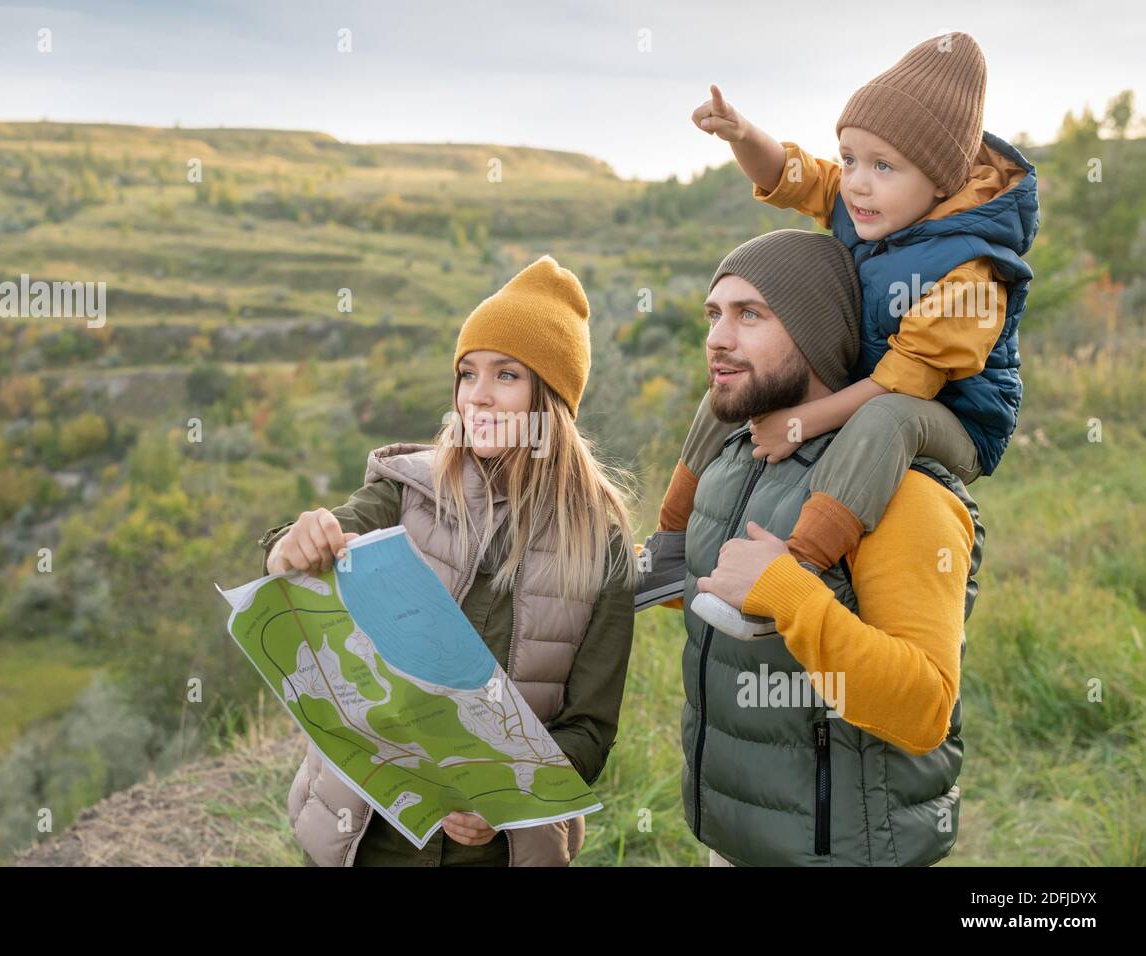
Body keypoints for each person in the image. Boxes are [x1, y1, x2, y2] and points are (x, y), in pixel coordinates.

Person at [637, 32, 1035, 628]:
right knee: (735, 377)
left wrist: (802, 421)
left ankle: (794, 569)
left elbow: (907, 383)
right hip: (875, 381)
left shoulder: (973, 272)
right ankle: (670, 545)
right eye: (850, 158)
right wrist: (744, 136)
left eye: (882, 166)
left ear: (940, 181)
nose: (857, 182)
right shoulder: (873, 204)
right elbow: (797, 179)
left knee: (888, 418)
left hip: (953, 414)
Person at [258, 255, 638, 866]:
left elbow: (589, 731)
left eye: (506, 375)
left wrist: (505, 799)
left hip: (497, 857)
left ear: (551, 398)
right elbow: (310, 546)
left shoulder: (602, 548)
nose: (478, 396)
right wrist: (290, 544)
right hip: (361, 842)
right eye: (467, 374)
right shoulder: (405, 490)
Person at [678, 229, 984, 866]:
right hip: (731, 841)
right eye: (714, 314)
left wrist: (788, 595)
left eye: (750, 314)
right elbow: (708, 608)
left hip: (843, 851)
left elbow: (924, 709)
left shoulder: (902, 491)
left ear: (817, 333)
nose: (717, 338)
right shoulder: (734, 460)